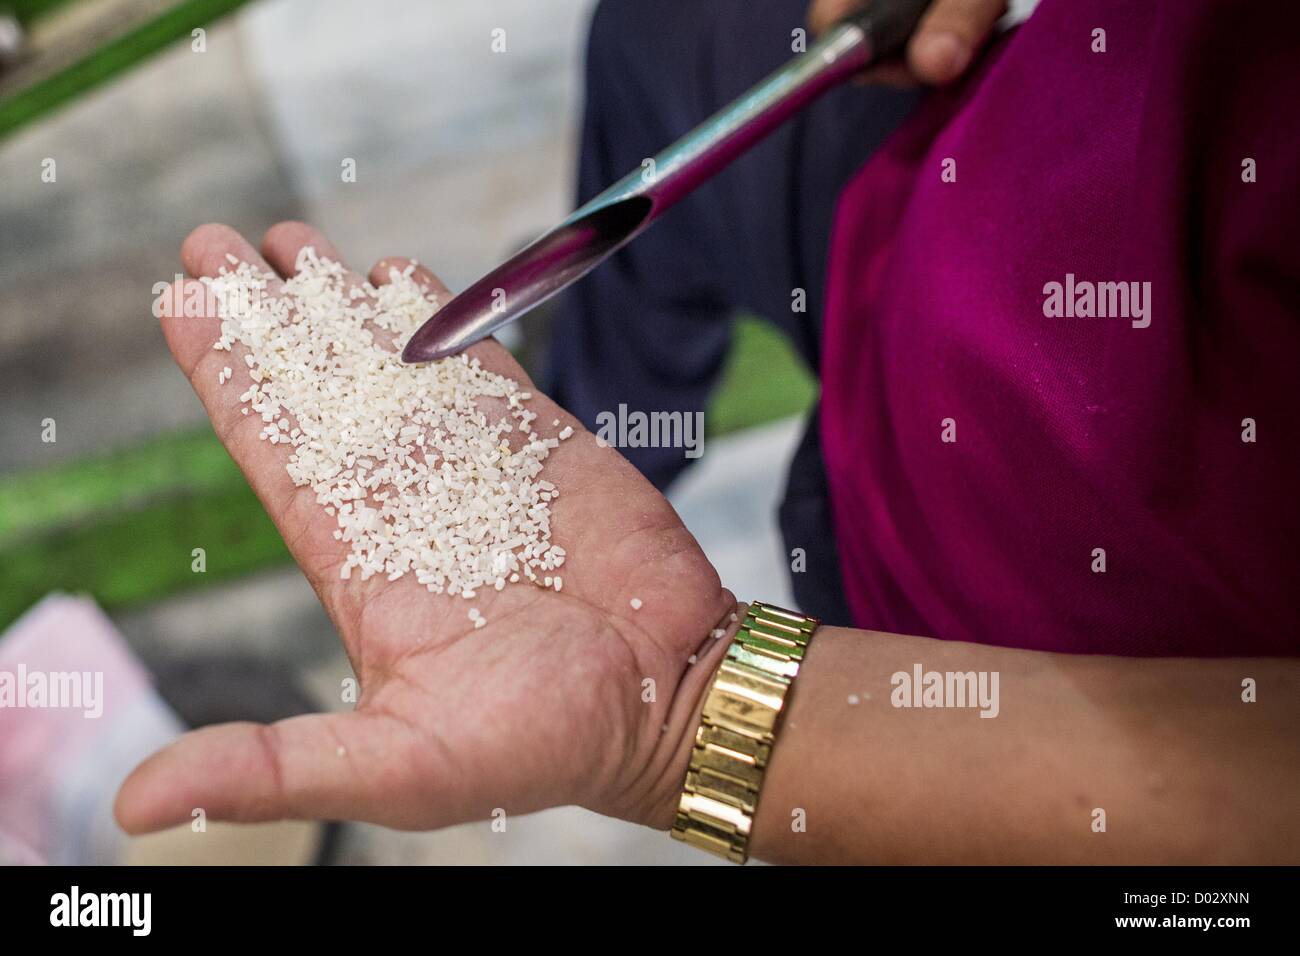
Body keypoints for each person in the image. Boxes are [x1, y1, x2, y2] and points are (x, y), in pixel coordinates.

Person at [115, 0, 1300, 863]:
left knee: (832, 543)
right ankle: (596, 422)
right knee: (655, 38)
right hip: (1013, 155)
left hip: (1049, 639)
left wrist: (689, 713)